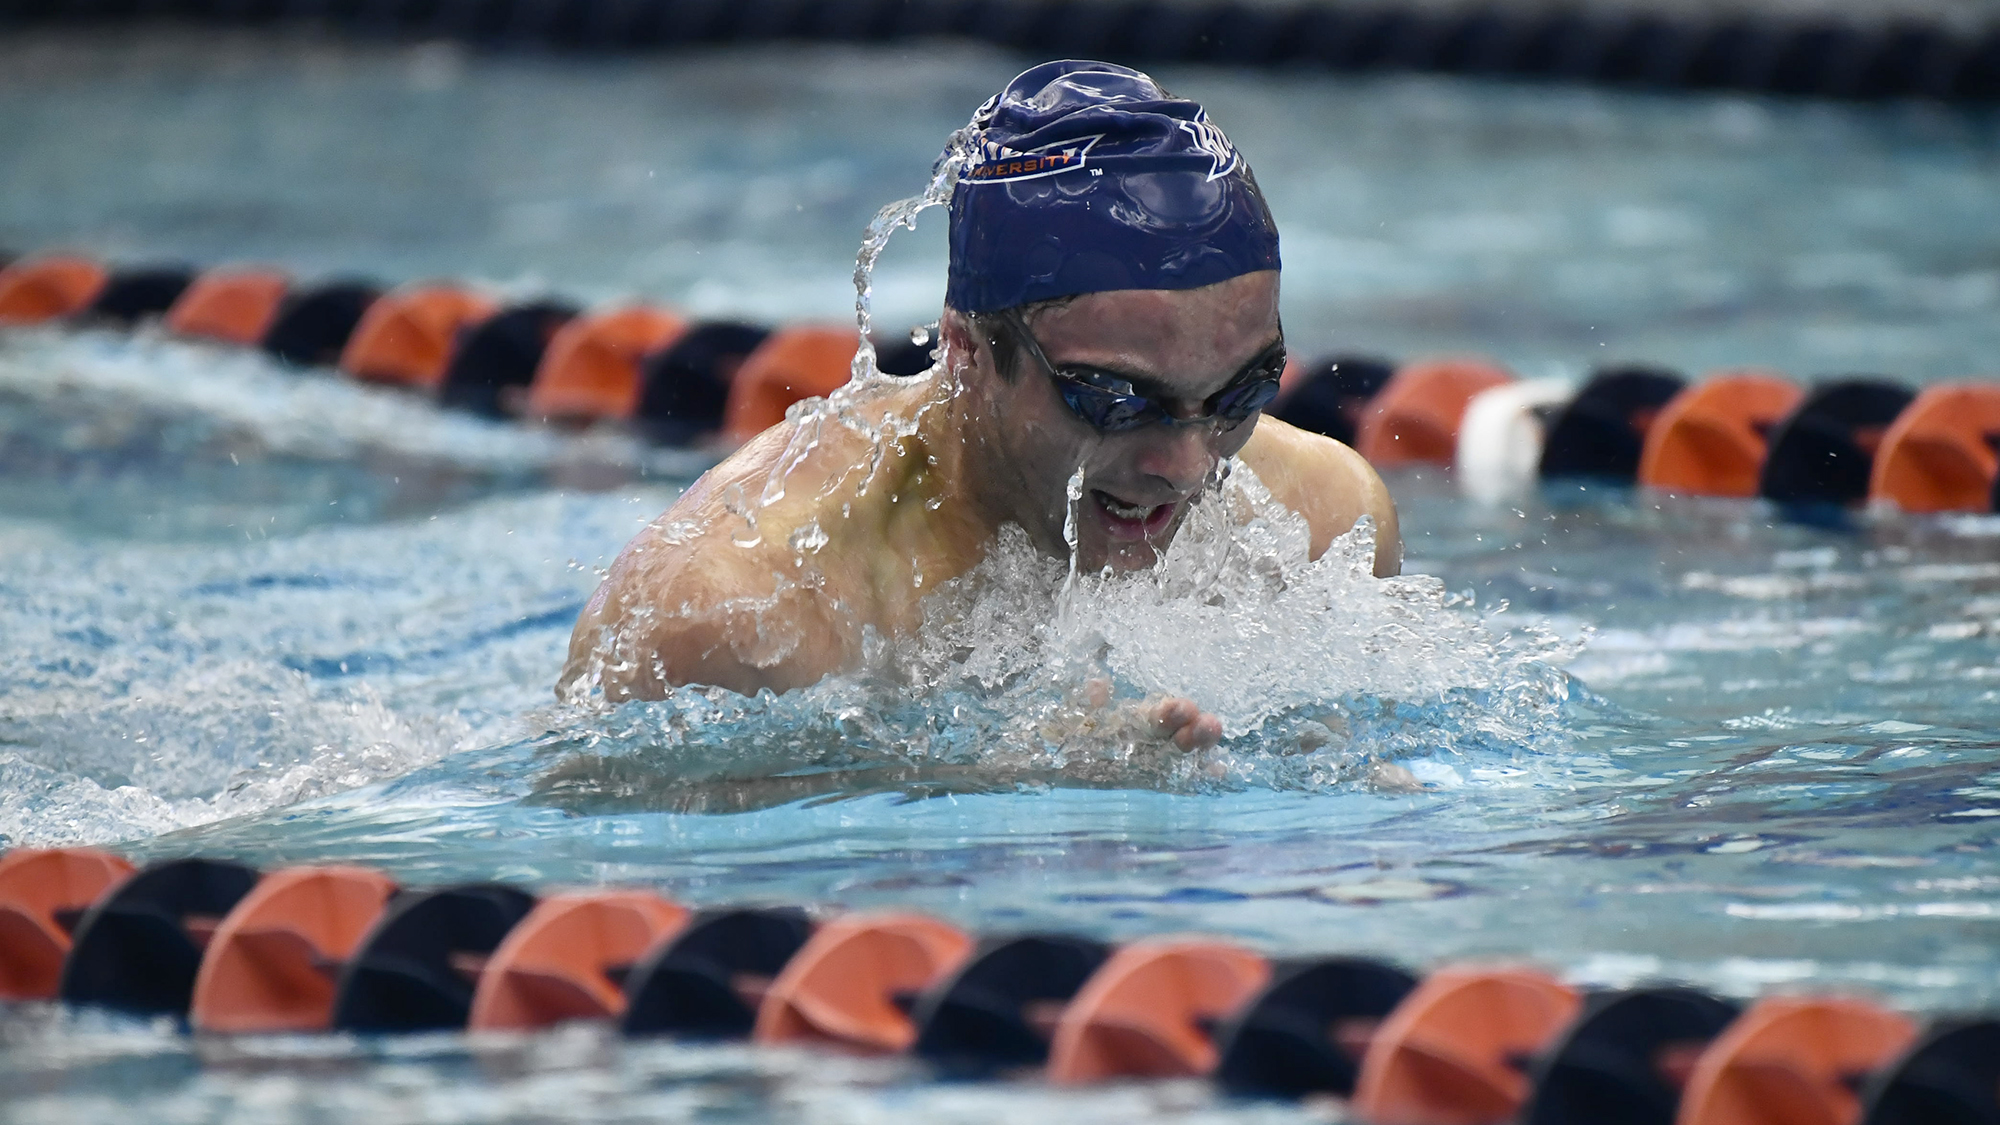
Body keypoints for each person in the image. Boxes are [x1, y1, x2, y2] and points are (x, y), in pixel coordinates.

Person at [559, 60, 1400, 750]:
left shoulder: (1325, 527)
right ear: (966, 353)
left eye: (1239, 394)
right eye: (1112, 399)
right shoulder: (738, 612)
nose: (1185, 466)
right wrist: (1013, 780)